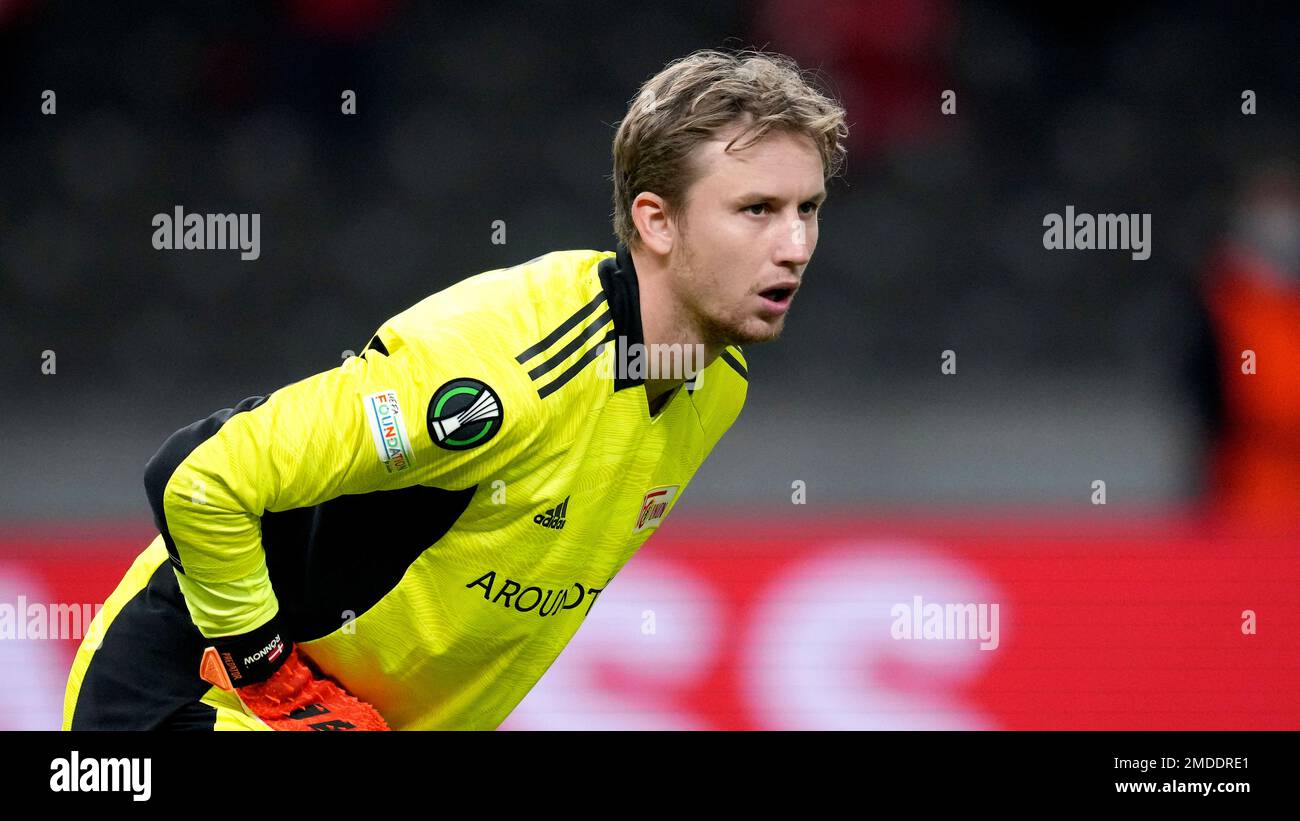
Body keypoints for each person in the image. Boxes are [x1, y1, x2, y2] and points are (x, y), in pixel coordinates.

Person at [62, 48, 848, 730]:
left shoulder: (715, 382)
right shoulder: (500, 379)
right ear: (656, 222)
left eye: (807, 209)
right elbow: (199, 477)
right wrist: (268, 669)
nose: (796, 245)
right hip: (182, 701)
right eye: (757, 210)